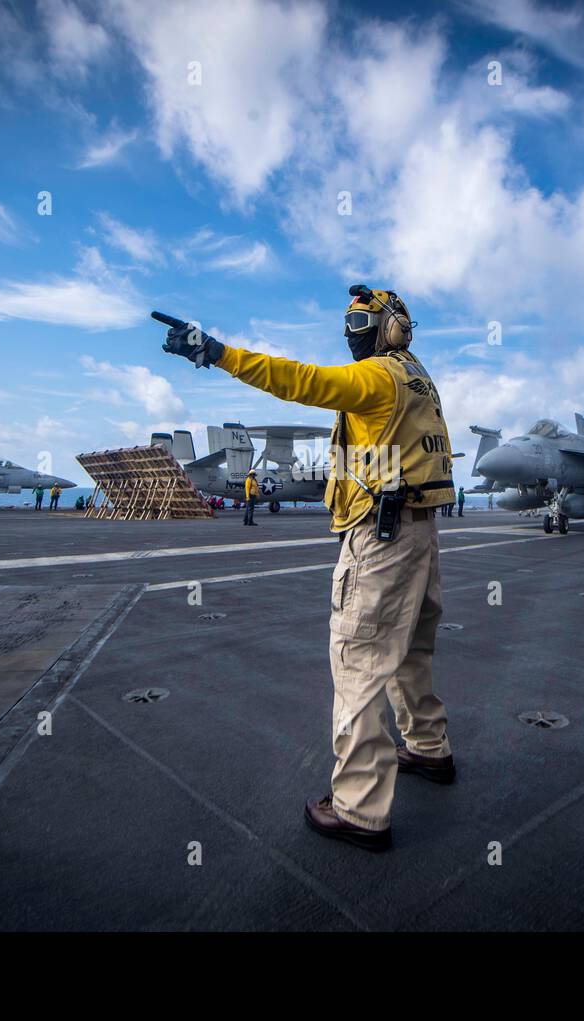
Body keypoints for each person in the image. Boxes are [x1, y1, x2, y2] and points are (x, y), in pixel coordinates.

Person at [159, 285, 456, 851]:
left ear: (391, 326)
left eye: (360, 319)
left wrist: (216, 352)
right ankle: (427, 747)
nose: (350, 329)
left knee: (360, 663)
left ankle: (361, 809)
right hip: (421, 533)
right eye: (348, 318)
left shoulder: (376, 377)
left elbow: (297, 379)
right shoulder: (419, 378)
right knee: (411, 653)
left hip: (381, 537)